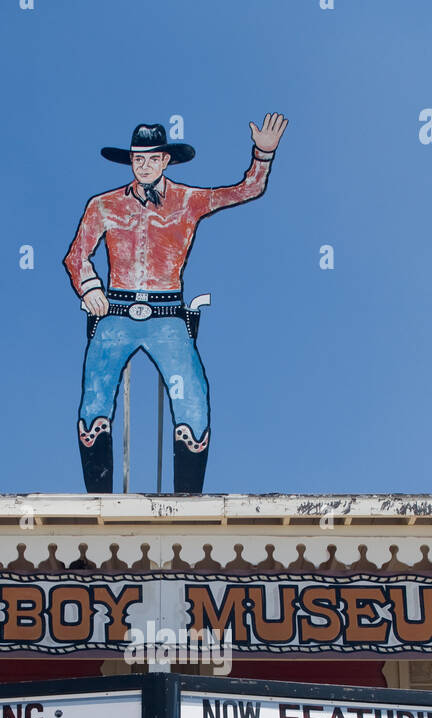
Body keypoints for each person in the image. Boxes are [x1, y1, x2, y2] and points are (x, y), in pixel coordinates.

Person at [63, 113, 288, 493]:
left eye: (152, 158)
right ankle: (97, 501)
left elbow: (243, 191)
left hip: (167, 315)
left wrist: (262, 154)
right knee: (94, 400)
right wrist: (90, 289)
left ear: (166, 160)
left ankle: (187, 502)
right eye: (138, 159)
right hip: (115, 311)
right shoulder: (104, 205)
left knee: (193, 398)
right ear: (131, 161)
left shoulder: (187, 200)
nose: (145, 166)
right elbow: (76, 255)